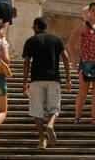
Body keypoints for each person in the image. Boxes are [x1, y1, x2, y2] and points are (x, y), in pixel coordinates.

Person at [21, 17, 71, 149]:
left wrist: (24, 82)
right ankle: (50, 124)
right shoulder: (56, 39)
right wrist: (68, 78)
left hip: (36, 80)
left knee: (37, 110)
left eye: (33, 27)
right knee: (54, 108)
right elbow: (66, 57)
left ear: (36, 26)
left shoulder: (30, 41)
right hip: (53, 79)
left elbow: (26, 63)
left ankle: (41, 139)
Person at [68, 3, 95, 125]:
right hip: (86, 62)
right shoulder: (84, 26)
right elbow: (70, 42)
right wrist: (74, 59)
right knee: (83, 90)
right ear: (89, 12)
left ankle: (93, 119)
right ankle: (77, 117)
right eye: (93, 10)